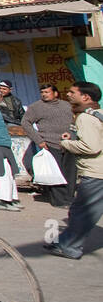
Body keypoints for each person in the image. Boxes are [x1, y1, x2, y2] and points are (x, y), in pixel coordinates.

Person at [44, 81, 103, 260]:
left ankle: (69, 246)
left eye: (72, 92)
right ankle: (65, 241)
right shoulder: (97, 114)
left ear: (85, 97)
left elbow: (91, 147)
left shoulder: (85, 117)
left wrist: (66, 143)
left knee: (82, 211)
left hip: (95, 172)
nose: (68, 95)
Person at [21, 83, 77, 208]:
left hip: (69, 143)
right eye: (42, 92)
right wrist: (38, 140)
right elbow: (25, 123)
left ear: (55, 93)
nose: (44, 94)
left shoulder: (66, 105)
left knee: (70, 172)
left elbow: (74, 121)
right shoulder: (36, 107)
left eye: (47, 92)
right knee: (56, 173)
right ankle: (59, 201)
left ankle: (69, 198)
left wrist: (72, 134)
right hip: (49, 143)